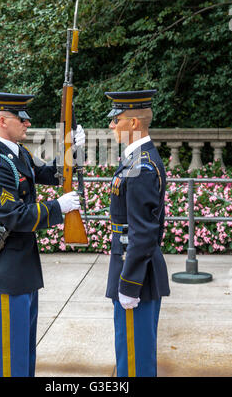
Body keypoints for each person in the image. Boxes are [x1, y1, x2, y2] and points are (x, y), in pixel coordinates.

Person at [0, 91, 85, 377]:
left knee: (23, 352)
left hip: (22, 267)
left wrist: (74, 150)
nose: (27, 123)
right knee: (10, 356)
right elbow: (13, 217)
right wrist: (56, 207)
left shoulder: (17, 153)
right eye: (21, 118)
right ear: (2, 121)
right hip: (7, 270)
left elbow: (51, 174)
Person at [105, 89, 170, 377]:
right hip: (135, 266)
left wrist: (129, 284)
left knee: (134, 363)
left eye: (115, 120)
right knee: (131, 354)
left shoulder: (141, 165)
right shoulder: (137, 159)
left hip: (136, 275)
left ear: (133, 124)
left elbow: (143, 232)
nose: (111, 126)